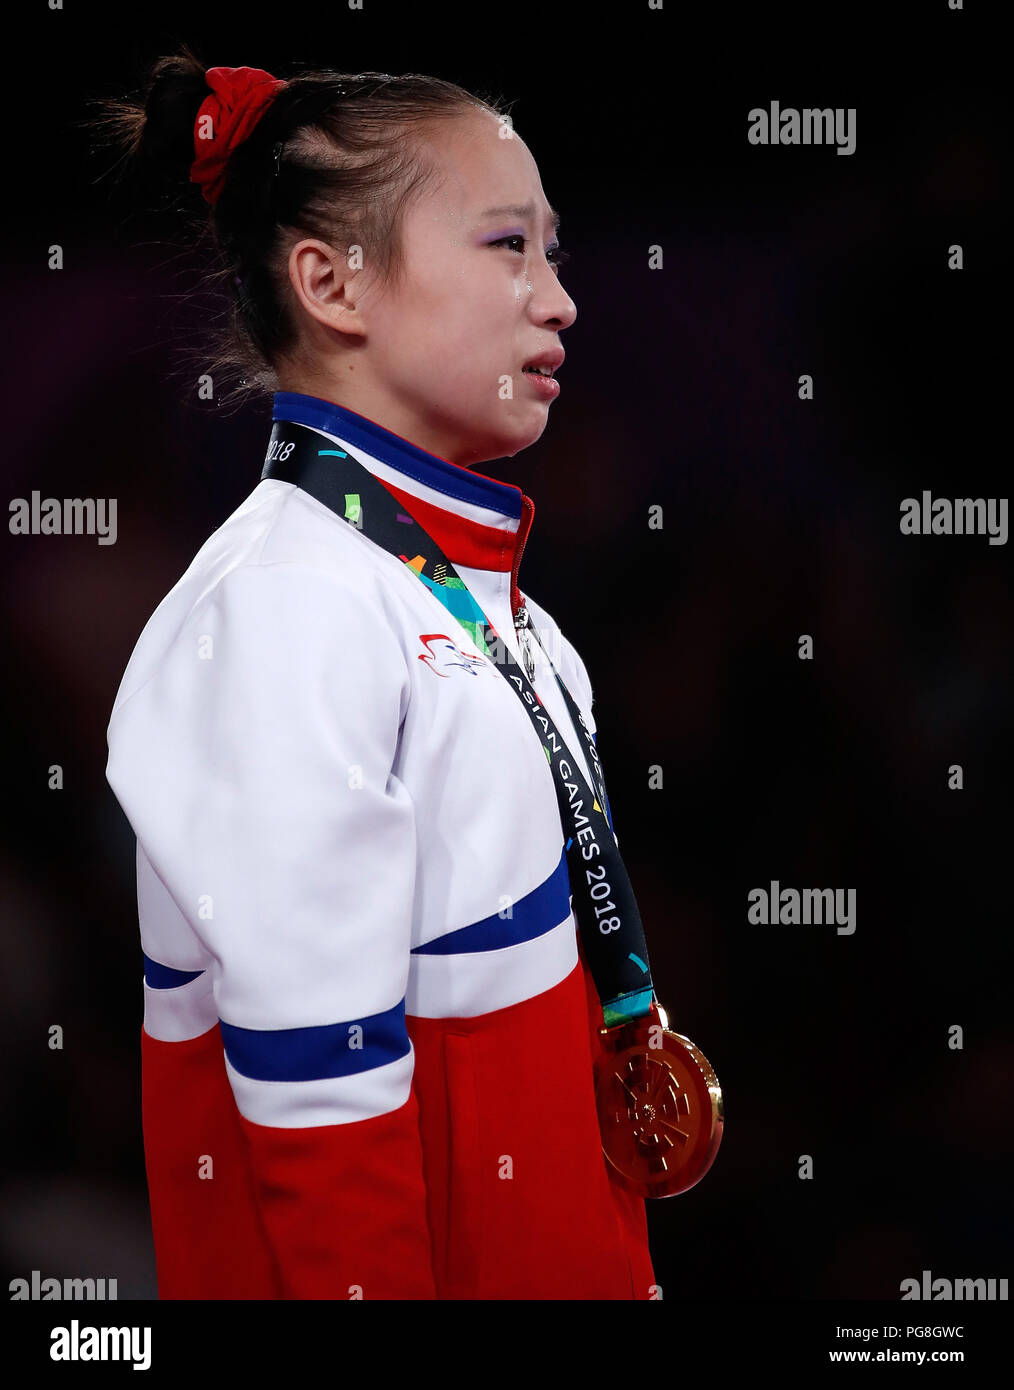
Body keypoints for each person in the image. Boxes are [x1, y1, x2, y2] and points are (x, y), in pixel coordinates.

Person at [100, 47, 658, 1299]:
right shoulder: (285, 611)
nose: (558, 299)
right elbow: (323, 1119)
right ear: (330, 282)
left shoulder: (498, 617)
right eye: (509, 245)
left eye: (554, 252)